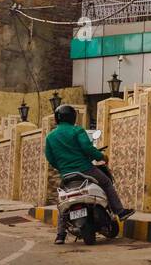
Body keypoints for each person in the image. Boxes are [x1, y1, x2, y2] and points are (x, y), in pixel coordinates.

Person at [44, 104, 134, 243]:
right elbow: (87, 148)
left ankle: (60, 235)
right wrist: (101, 157)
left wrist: (63, 168)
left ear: (57, 118)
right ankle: (119, 212)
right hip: (85, 169)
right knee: (106, 182)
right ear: (73, 117)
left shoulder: (50, 137)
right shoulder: (77, 131)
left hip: (66, 175)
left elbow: (50, 158)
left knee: (63, 201)